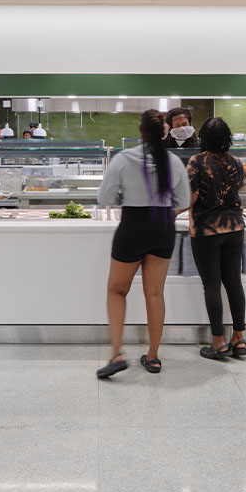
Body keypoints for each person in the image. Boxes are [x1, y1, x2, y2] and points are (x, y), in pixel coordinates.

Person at [95, 109, 190, 378]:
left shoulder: (123, 159)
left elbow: (105, 197)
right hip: (162, 227)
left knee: (116, 291)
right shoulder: (173, 162)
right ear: (165, 132)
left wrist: (126, 194)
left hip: (133, 227)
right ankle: (153, 356)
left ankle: (117, 354)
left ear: (140, 130)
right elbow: (184, 202)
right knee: (155, 294)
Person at [186, 117, 246, 360]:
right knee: (233, 283)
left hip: (207, 231)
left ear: (203, 138)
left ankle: (218, 342)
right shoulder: (236, 162)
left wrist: (168, 211)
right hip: (235, 228)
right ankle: (239, 338)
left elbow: (190, 198)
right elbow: (235, 189)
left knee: (212, 285)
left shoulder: (196, 161)